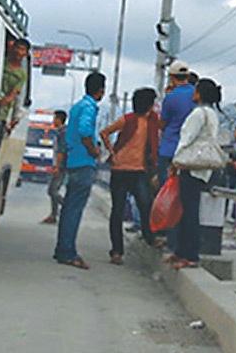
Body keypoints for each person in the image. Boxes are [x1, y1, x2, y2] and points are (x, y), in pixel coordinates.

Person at [168, 78, 223, 269]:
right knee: (190, 209)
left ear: (200, 93)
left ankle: (189, 254)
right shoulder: (213, 114)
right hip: (203, 167)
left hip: (190, 166)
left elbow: (186, 139)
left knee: (188, 211)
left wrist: (175, 161)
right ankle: (184, 252)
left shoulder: (198, 114)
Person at [99, 88, 159, 264]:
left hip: (138, 170)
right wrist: (112, 152)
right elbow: (104, 132)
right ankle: (116, 251)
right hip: (121, 170)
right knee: (118, 210)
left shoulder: (151, 120)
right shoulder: (128, 119)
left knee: (145, 204)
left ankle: (148, 236)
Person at [53, 71, 106, 269]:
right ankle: (68, 252)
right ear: (100, 91)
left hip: (72, 161)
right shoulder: (89, 108)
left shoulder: (76, 107)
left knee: (68, 208)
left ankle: (62, 249)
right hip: (84, 162)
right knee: (75, 209)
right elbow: (85, 131)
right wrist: (93, 150)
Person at [0, 38, 30, 202]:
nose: (18, 52)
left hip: (0, 116)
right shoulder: (0, 63)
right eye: (17, 48)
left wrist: (8, 106)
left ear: (26, 54)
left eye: (22, 50)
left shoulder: (21, 74)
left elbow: (15, 95)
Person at [156, 60, 196, 250]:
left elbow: (162, 124)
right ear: (187, 76)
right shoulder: (196, 95)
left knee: (169, 198)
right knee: (186, 199)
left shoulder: (170, 98)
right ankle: (183, 244)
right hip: (189, 155)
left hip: (169, 151)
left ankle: (171, 241)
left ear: (171, 77)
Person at [41, 110, 67, 225]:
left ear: (59, 119)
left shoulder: (62, 133)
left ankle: (66, 206)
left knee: (52, 190)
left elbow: (61, 151)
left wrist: (57, 167)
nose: (53, 120)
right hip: (60, 165)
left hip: (61, 167)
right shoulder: (61, 131)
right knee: (53, 190)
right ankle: (53, 215)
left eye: (54, 118)